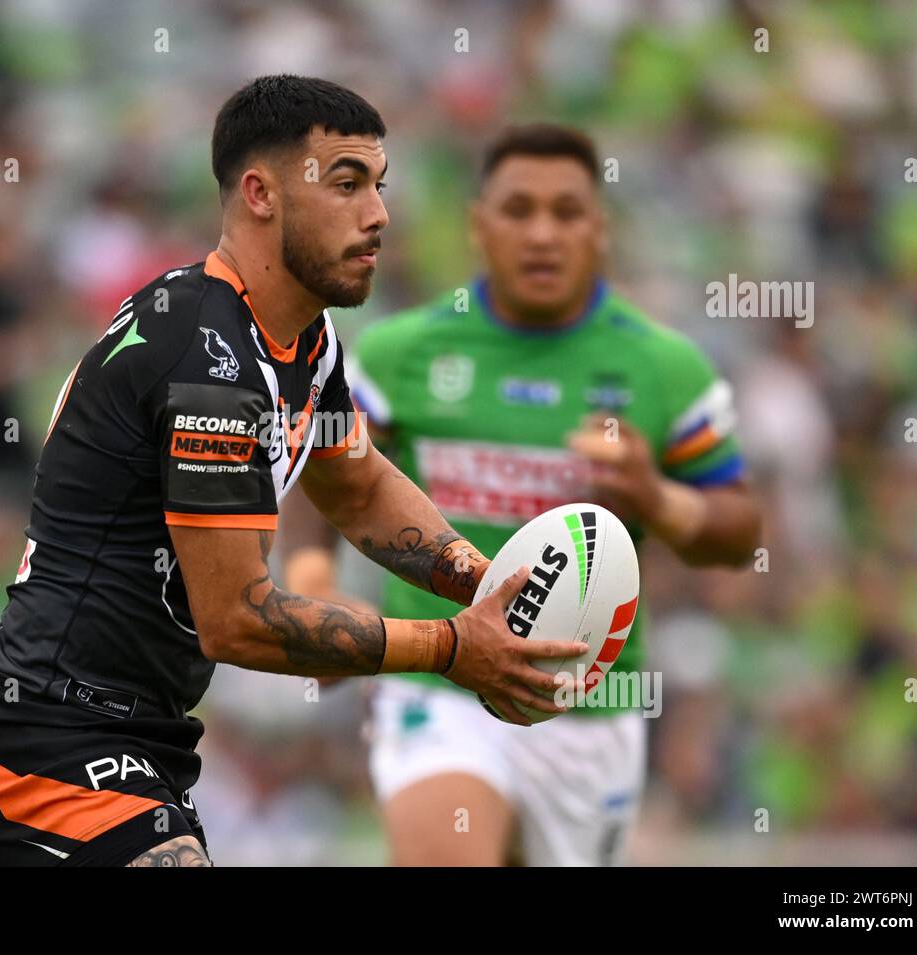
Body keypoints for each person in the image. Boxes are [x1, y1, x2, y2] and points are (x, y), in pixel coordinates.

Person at [0, 76, 590, 867]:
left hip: (144, 734)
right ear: (260, 194)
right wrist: (454, 647)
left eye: (379, 187)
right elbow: (238, 617)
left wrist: (481, 580)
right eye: (347, 184)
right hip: (42, 733)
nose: (379, 213)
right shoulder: (207, 361)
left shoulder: (302, 344)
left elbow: (357, 487)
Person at [281, 124, 763, 866]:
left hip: (586, 702)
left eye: (567, 212)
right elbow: (328, 474)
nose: (542, 233)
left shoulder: (664, 369)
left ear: (599, 230)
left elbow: (737, 531)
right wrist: (314, 582)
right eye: (518, 209)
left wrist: (658, 499)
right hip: (443, 685)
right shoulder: (402, 352)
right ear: (479, 225)